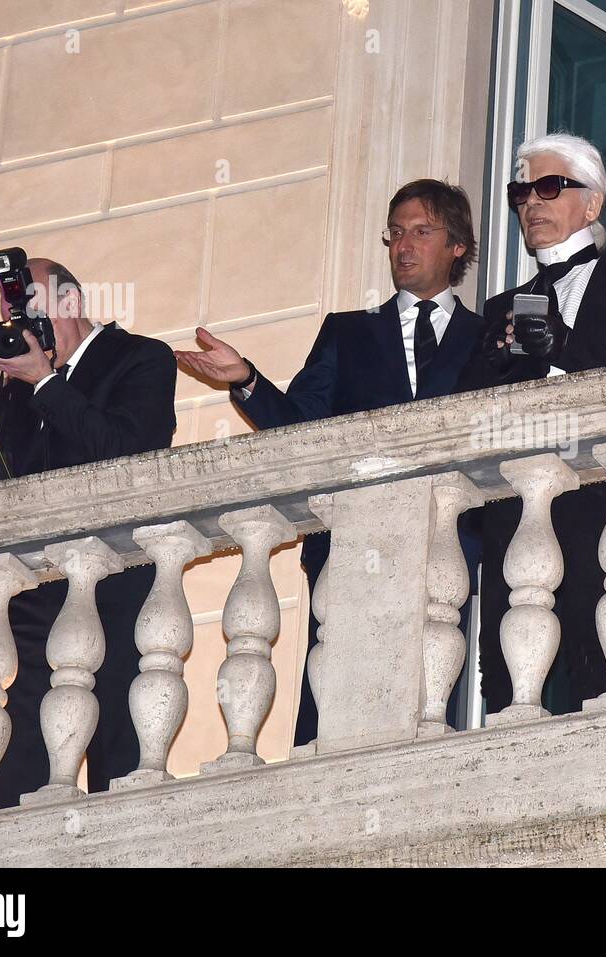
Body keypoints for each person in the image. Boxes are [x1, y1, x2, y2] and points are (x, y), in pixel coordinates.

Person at [176, 178, 485, 744]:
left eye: (421, 231)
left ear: (457, 245)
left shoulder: (487, 337)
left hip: (448, 543)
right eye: (394, 234)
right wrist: (247, 380)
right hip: (349, 545)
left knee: (435, 700)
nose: (404, 246)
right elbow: (301, 434)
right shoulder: (348, 332)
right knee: (331, 714)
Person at [460, 132, 606, 716]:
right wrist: (504, 365)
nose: (531, 202)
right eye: (522, 192)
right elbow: (467, 418)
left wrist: (562, 347)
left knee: (602, 672)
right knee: (508, 682)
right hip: (517, 509)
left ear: (592, 203)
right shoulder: (502, 307)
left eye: (549, 186)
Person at [0, 257, 178, 808]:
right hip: (36, 593)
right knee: (21, 758)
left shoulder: (140, 357)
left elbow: (127, 454)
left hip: (119, 588)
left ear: (72, 304)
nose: (23, 326)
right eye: (12, 317)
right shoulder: (16, 385)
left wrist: (46, 383)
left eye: (31, 310)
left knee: (118, 751)